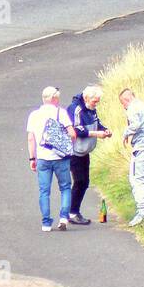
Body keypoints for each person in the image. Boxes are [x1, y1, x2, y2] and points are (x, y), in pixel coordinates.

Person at [26, 86, 75, 231]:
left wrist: (32, 158)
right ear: (54, 98)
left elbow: (30, 138)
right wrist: (66, 144)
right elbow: (72, 134)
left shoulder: (34, 115)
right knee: (65, 187)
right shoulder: (61, 112)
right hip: (61, 158)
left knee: (44, 191)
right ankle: (64, 217)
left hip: (43, 158)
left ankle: (46, 223)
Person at [65, 85, 111, 224]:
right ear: (86, 98)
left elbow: (97, 123)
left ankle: (74, 211)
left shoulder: (91, 109)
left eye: (97, 101)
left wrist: (105, 130)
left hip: (85, 151)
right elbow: (77, 130)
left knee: (84, 182)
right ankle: (72, 213)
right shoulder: (75, 109)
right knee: (79, 181)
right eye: (94, 101)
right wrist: (97, 134)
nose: (96, 104)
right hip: (75, 152)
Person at [118, 87, 144, 227]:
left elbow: (135, 124)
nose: (123, 107)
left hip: (142, 148)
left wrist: (125, 133)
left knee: (137, 179)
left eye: (122, 104)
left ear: (126, 99)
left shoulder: (132, 108)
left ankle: (142, 210)